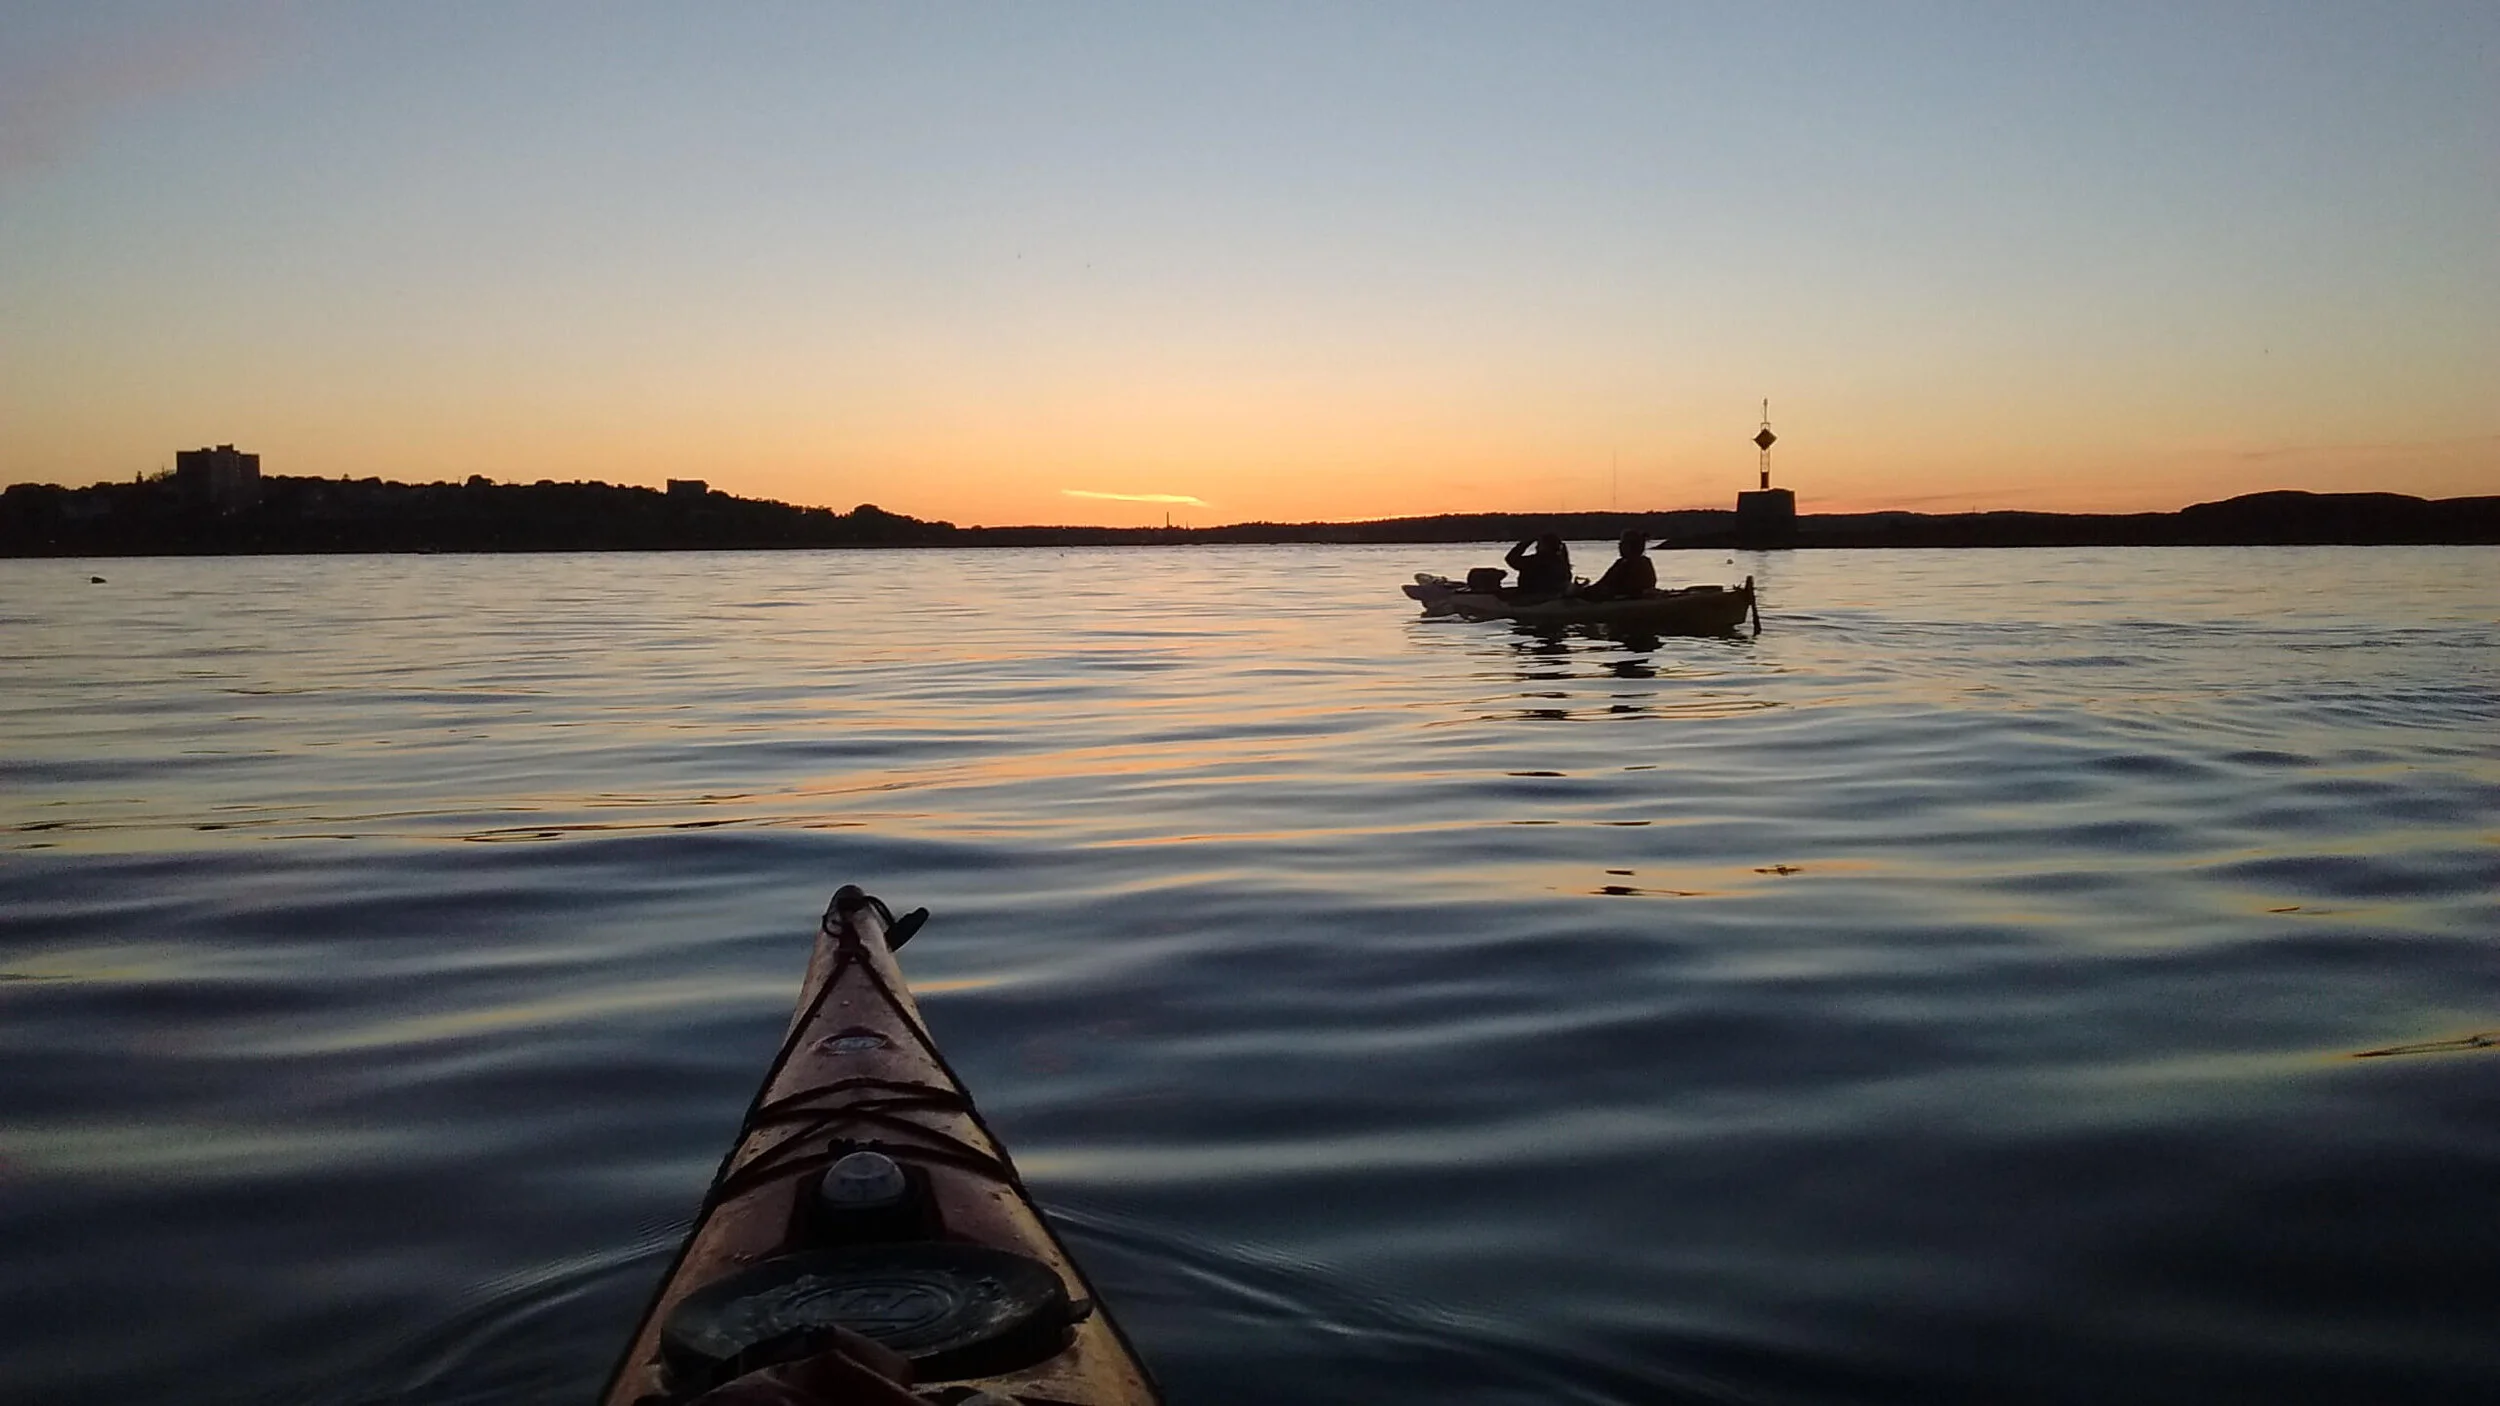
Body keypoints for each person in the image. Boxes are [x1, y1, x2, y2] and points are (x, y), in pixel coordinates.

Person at [1578, 529, 1657, 601]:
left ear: (1631, 546)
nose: (1619, 546)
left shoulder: (1638, 564)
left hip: (1623, 599)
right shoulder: (1621, 562)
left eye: (1622, 544)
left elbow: (1629, 588)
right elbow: (1603, 582)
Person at [1503, 533, 1572, 598]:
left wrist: (1526, 542)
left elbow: (1511, 559)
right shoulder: (1560, 561)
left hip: (1532, 596)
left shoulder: (1535, 561)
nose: (1536, 547)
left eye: (1539, 544)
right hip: (1551, 594)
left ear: (1545, 546)